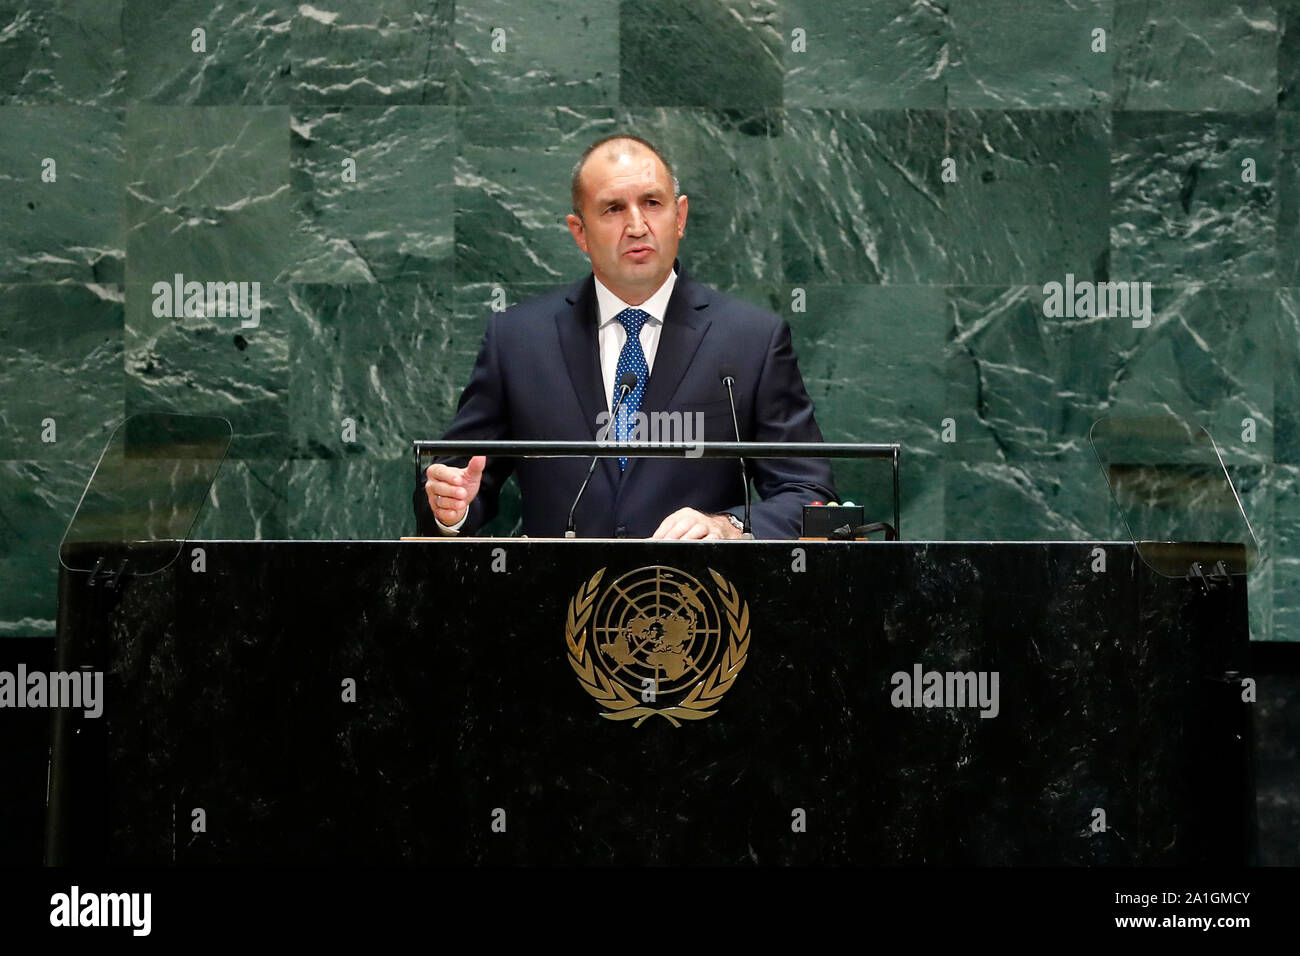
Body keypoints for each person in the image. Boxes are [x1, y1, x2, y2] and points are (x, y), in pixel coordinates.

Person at [414, 135, 835, 539]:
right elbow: (456, 484)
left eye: (652, 203)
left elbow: (810, 496)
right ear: (579, 232)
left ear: (680, 216)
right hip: (554, 602)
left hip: (699, 602)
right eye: (613, 209)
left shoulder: (752, 340)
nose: (637, 226)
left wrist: (730, 525)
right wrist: (452, 508)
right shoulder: (518, 341)